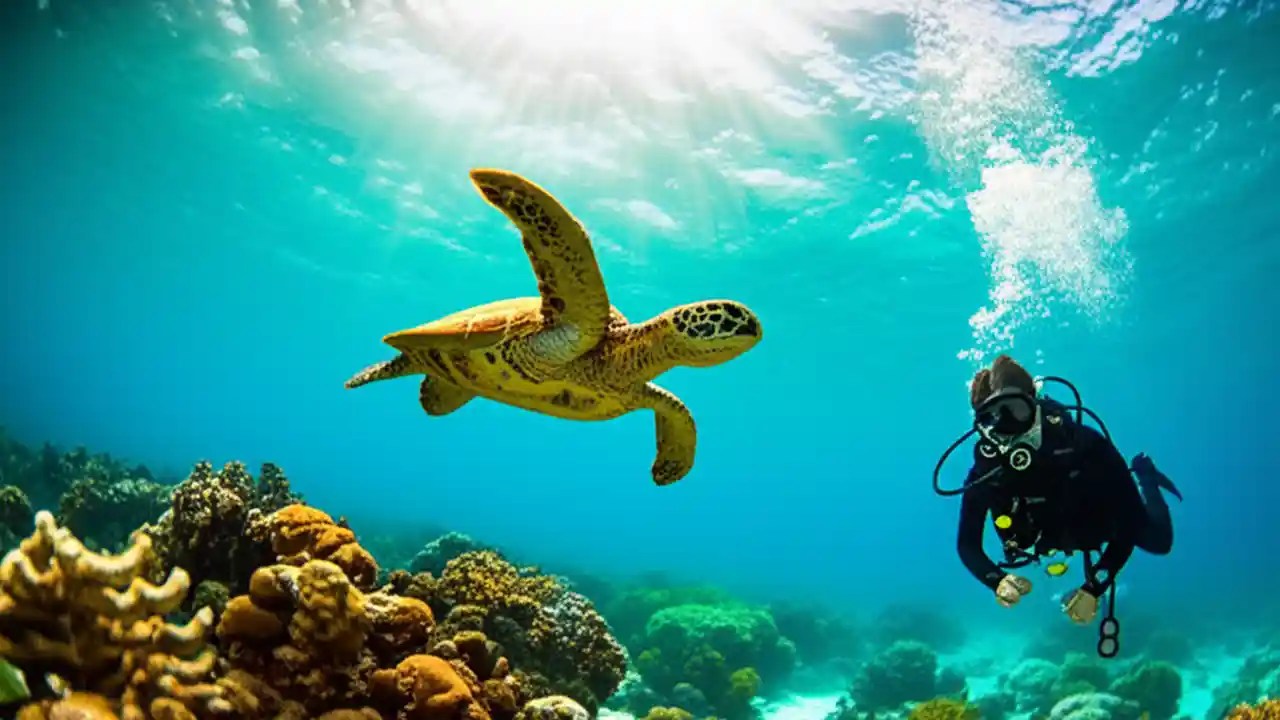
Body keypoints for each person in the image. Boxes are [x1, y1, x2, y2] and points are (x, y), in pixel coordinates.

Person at [942, 354, 1181, 631]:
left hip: (1093, 524)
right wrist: (996, 580)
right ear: (982, 425)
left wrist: (1094, 587)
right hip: (1047, 535)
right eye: (993, 416)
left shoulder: (1085, 445)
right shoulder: (986, 473)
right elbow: (968, 545)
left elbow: (1128, 525)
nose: (1009, 426)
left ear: (1035, 401)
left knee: (1159, 542)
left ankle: (1146, 476)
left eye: (1016, 410)